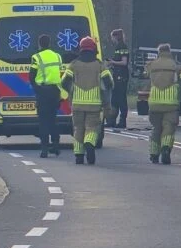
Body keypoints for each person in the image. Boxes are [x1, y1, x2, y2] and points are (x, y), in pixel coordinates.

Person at [61, 37, 114, 165]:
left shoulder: (73, 64)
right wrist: (106, 102)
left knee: (78, 129)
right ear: (94, 49)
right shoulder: (100, 65)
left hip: (77, 104)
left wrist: (72, 91)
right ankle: (89, 143)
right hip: (94, 105)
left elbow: (64, 82)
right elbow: (109, 83)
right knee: (92, 128)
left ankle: (79, 156)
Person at [144, 43, 181, 164]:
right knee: (168, 127)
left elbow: (145, 75)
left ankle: (153, 154)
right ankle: (165, 149)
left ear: (159, 52)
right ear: (169, 52)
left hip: (154, 103)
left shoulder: (151, 65)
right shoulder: (176, 66)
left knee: (156, 129)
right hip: (171, 103)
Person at [28, 34, 63, 158]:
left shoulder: (36, 57)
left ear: (39, 44)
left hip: (43, 91)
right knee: (53, 119)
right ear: (49, 43)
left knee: (43, 121)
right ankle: (56, 145)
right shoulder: (57, 56)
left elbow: (31, 77)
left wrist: (37, 89)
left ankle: (44, 148)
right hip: (55, 91)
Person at [106, 29, 130, 130]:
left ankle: (122, 121)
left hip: (122, 77)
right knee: (114, 99)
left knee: (121, 99)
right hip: (117, 75)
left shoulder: (122, 47)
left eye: (112, 37)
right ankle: (112, 120)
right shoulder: (117, 47)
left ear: (116, 36)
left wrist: (112, 62)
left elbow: (124, 62)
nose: (112, 39)